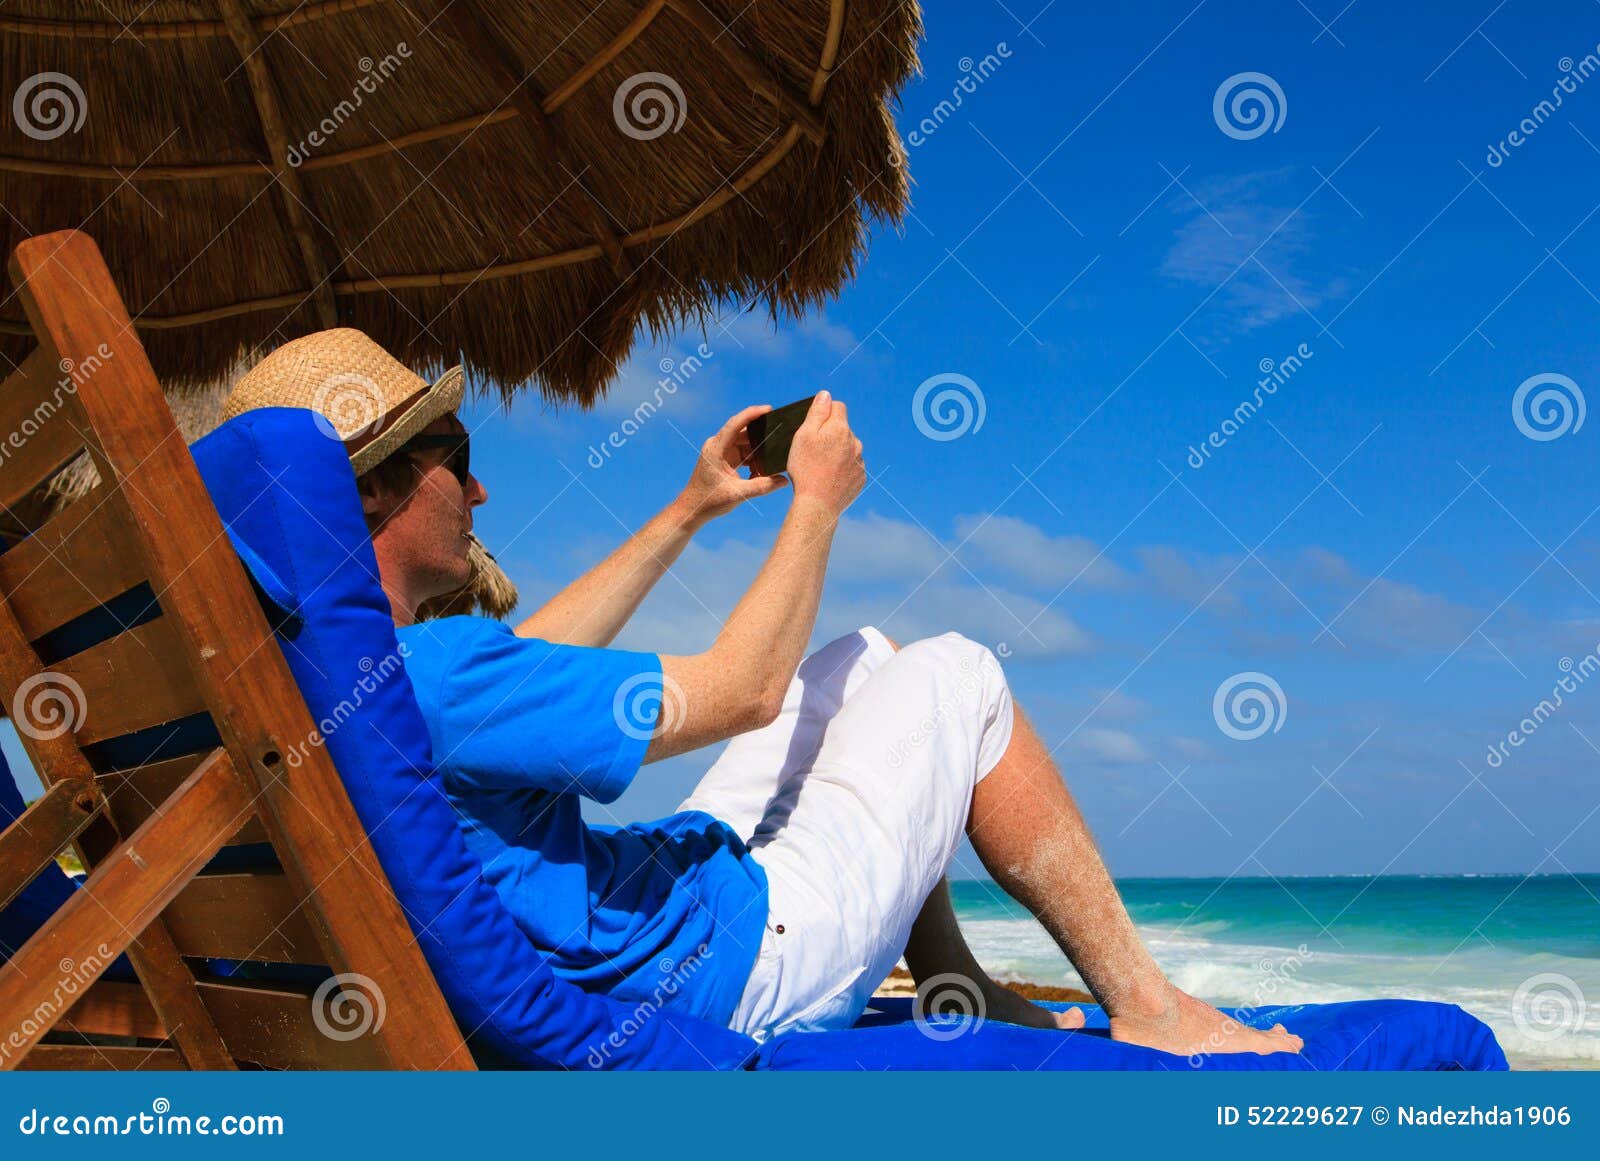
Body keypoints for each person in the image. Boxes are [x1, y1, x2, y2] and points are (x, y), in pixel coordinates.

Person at [223, 329, 1303, 1057]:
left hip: (668, 909)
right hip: (732, 969)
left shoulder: (343, 685)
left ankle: (950, 978)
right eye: (454, 454)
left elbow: (523, 663)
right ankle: (1153, 1007)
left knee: (864, 658)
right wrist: (817, 504)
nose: (481, 486)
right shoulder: (437, 678)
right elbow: (743, 693)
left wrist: (690, 510)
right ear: (371, 484)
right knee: (958, 673)